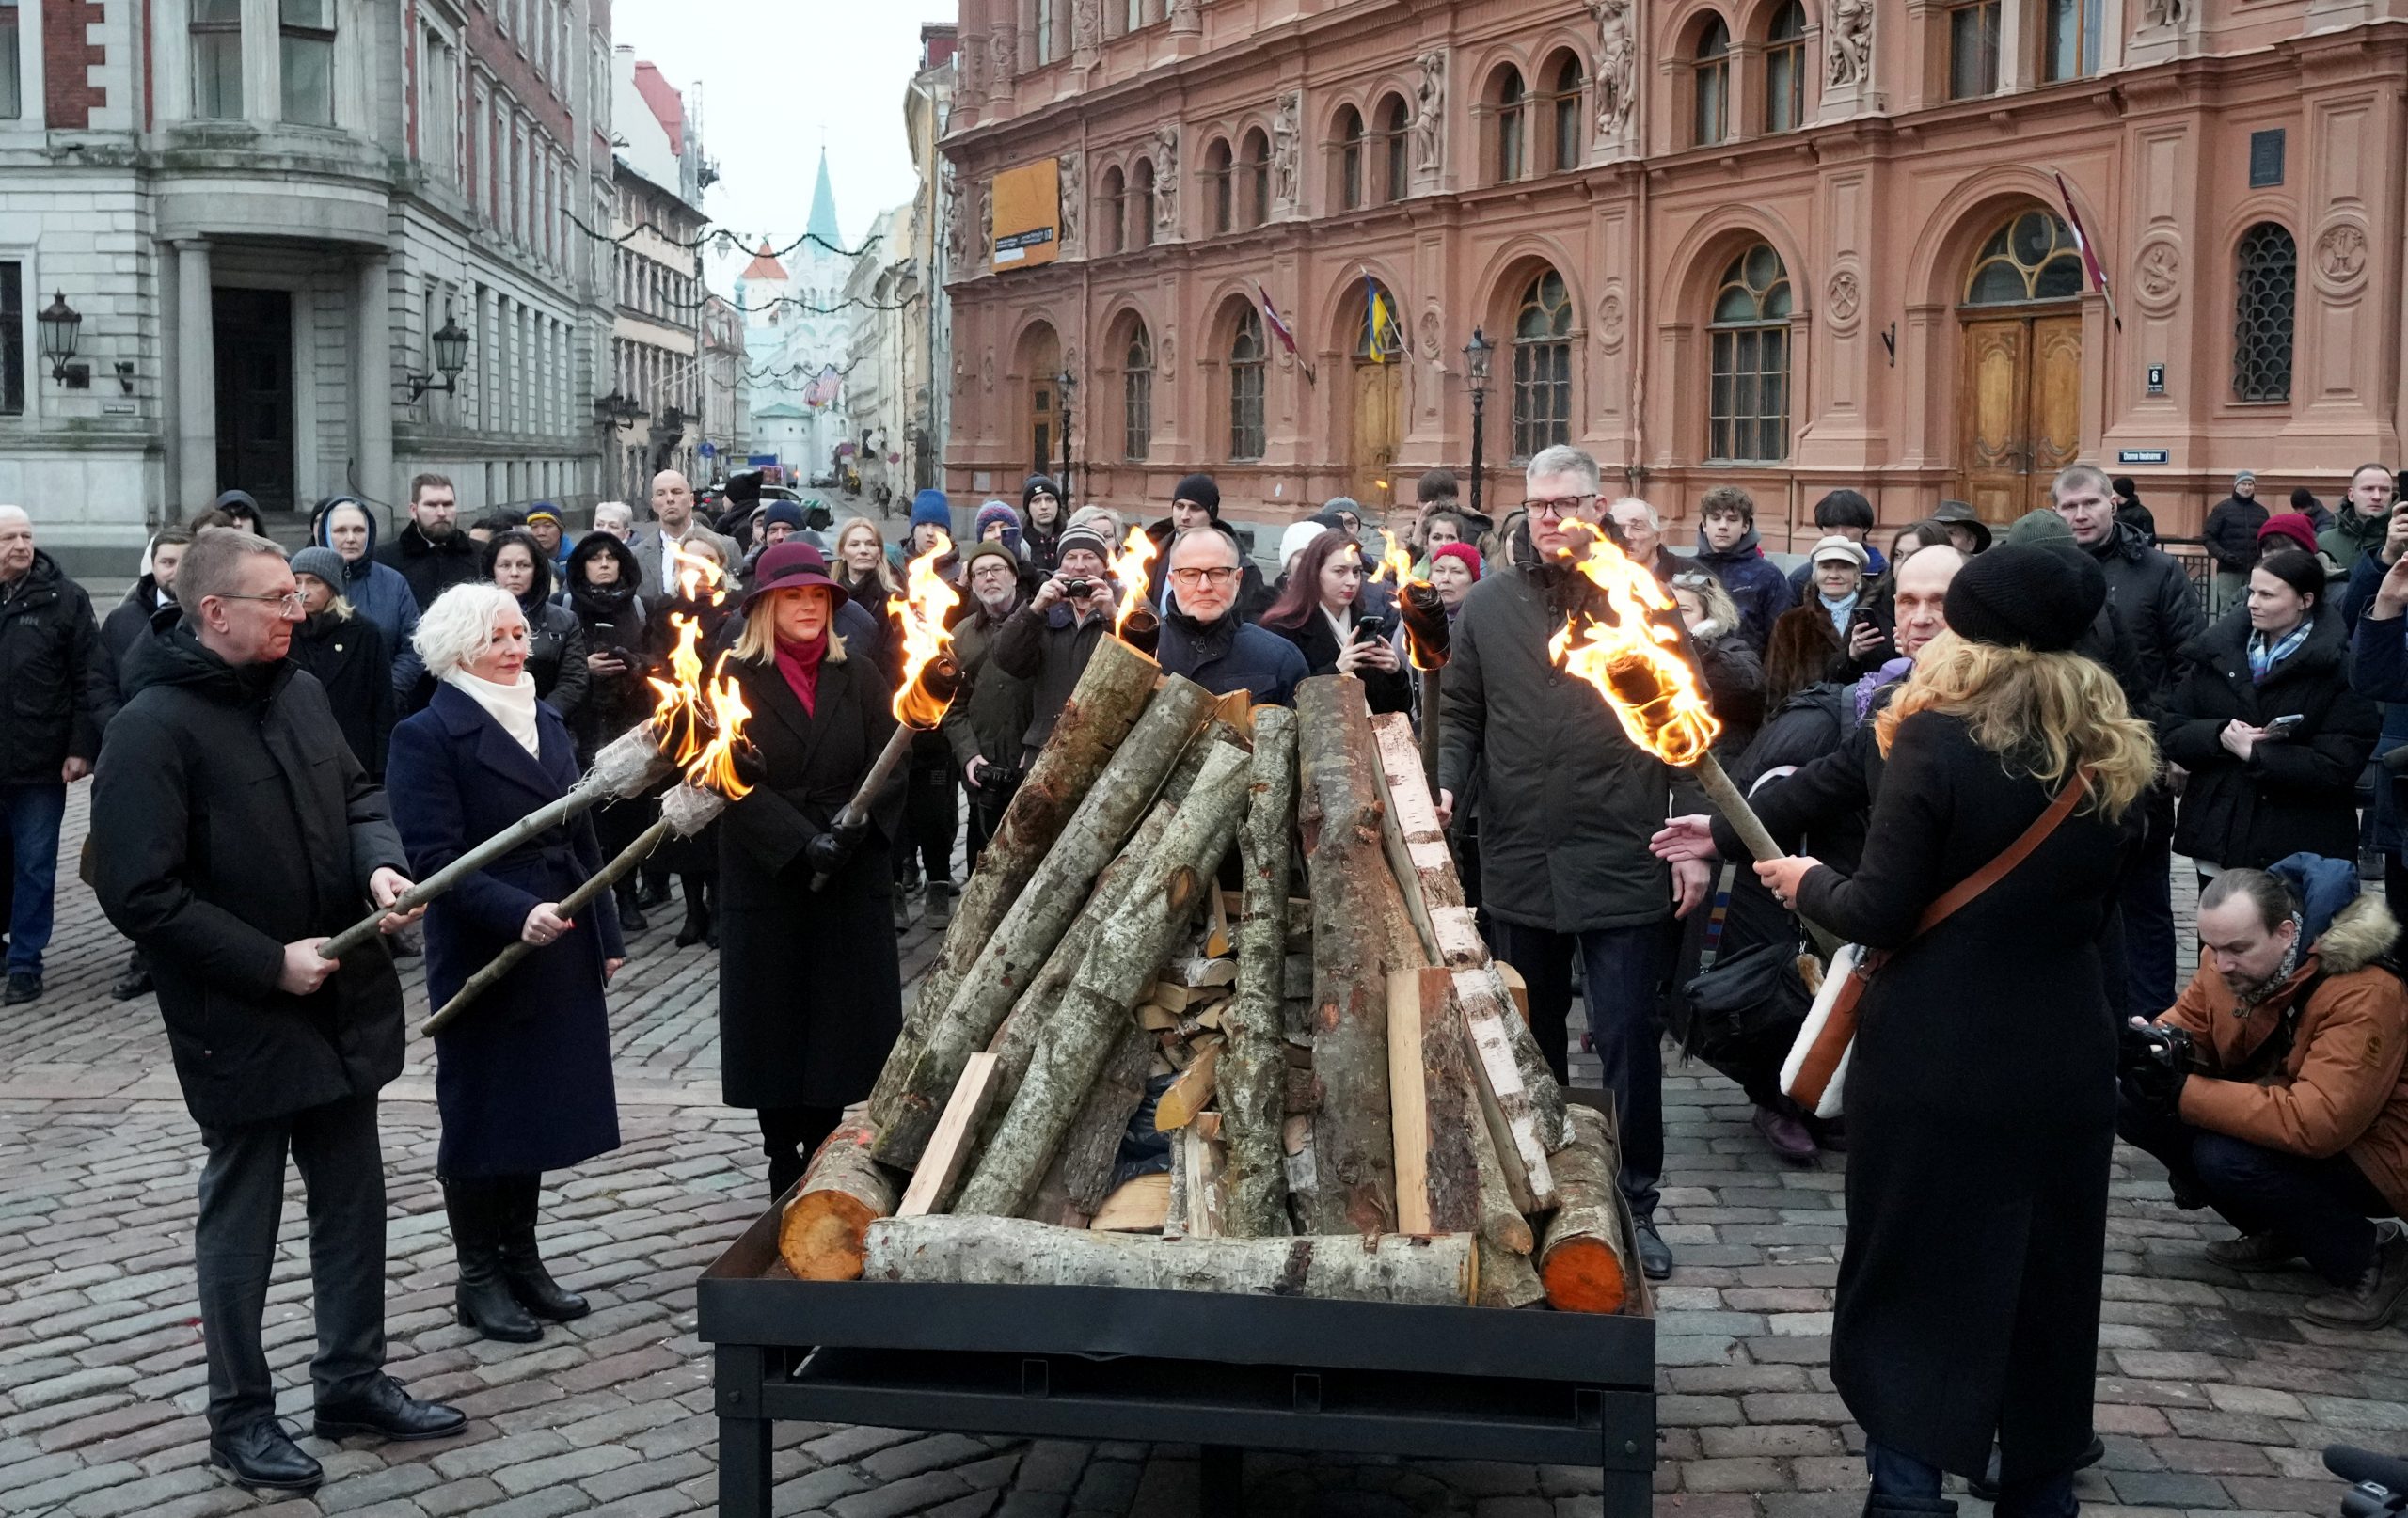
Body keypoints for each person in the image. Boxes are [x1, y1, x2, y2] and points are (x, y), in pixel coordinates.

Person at [1749, 543, 2158, 1518]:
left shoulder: (1934, 737)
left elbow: (1879, 908)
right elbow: (2113, 920)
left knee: (1913, 1277)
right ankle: (2038, 1494)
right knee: (2046, 1290)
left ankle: (1906, 1496)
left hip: (1937, 1056)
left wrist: (1807, 882)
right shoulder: (2119, 754)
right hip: (2062, 1057)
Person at [90, 530, 462, 1492]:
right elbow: (141, 895)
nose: (297, 613)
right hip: (240, 1015)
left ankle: (351, 1379)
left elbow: (358, 794)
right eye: (275, 600)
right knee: (242, 1219)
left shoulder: (298, 691)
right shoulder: (151, 726)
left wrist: (379, 864)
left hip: (343, 995)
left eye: (296, 597)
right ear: (214, 613)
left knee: (353, 1202)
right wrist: (267, 965)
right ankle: (239, 1416)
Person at [1436, 445, 1710, 1282]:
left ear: (1598, 506)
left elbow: (1688, 732)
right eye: (1540, 503)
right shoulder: (1487, 605)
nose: (1552, 516)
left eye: (1569, 501)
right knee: (1532, 1037)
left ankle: (1635, 1198)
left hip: (1623, 850)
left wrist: (1695, 836)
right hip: (1520, 851)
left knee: (1628, 1037)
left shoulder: (1642, 600)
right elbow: (1461, 711)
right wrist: (1448, 790)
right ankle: (1548, 1191)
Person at [1652, 545, 1968, 1161]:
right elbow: (1801, 788)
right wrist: (1717, 836)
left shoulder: (1998, 709)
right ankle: (1786, 1096)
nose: (1922, 617)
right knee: (1808, 974)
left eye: (1940, 603)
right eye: (1908, 600)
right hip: (1839, 883)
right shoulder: (1868, 705)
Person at [386, 584, 626, 1345]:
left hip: (560, 927)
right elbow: (435, 860)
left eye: (521, 633)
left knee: (539, 1105)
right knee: (484, 1112)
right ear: (460, 650)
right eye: (500, 638)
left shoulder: (546, 715)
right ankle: (478, 1275)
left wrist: (606, 933)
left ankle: (523, 1258)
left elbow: (580, 829)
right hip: (487, 943)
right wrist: (512, 913)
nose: (520, 648)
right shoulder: (427, 735)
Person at [2118, 859, 2408, 1330]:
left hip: (2377, 1153)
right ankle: (2289, 1229)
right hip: (2289, 1113)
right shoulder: (2227, 961)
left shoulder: (2364, 989)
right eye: (2212, 947)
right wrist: (2153, 1048)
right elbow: (2189, 1025)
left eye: (2237, 948)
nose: (2220, 962)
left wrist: (2184, 1091)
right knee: (2134, 1102)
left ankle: (2375, 1258)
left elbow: (2320, 1124)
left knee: (2225, 1157)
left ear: (2287, 933)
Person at [716, 542, 906, 1197]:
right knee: (776, 1020)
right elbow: (720, 780)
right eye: (794, 597)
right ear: (766, 606)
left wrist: (851, 831)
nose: (808, 607)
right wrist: (799, 842)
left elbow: (892, 758)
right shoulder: (730, 677)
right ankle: (779, 1155)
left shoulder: (858, 675)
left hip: (847, 877)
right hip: (768, 876)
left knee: (837, 1024)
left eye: (818, 597)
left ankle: (824, 1143)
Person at [2057, 462, 2201, 1016]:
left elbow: (2188, 661)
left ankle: (2154, 1021)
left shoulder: (2160, 572)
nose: (2080, 516)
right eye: (2069, 508)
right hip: (2063, 763)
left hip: (2140, 757)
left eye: (2089, 503)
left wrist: (2162, 743)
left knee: (2145, 899)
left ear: (2111, 503)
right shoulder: (2047, 574)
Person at [2162, 549, 2374, 878]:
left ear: (2305, 600)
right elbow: (2172, 729)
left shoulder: (2341, 668)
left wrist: (2258, 755)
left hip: (2301, 846)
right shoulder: (2217, 651)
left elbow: (2340, 762)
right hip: (2222, 839)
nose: (2252, 603)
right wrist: (2219, 735)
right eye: (2251, 592)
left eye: (2267, 594)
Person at [0, 506, 115, 1005]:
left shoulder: (64, 599)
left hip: (39, 760)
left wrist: (79, 748)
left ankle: (26, 961)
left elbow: (88, 679)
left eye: (27, 535)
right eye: (9, 538)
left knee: (34, 861)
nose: (21, 545)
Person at [559, 530, 656, 932]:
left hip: (629, 720)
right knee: (589, 818)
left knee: (630, 814)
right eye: (594, 558)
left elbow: (663, 658)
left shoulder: (641, 607)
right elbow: (554, 662)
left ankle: (629, 895)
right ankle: (595, 901)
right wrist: (587, 667)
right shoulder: (563, 608)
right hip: (581, 725)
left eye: (610, 558)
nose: (603, 564)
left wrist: (634, 662)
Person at [642, 534, 737, 944]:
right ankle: (692, 908)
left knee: (716, 818)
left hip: (719, 726)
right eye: (690, 563)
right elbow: (654, 660)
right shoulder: (666, 611)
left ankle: (718, 906)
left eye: (707, 561)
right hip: (679, 727)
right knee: (681, 821)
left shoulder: (732, 611)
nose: (698, 571)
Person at [992, 522, 1123, 758]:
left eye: (1090, 557)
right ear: (1060, 565)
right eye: (1071, 557)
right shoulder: (1044, 610)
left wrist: (1114, 617)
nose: (1080, 566)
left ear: (1104, 564)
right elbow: (1006, 658)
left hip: (1106, 750)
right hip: (1047, 745)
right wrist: (1034, 610)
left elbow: (1148, 659)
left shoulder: (1128, 606)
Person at [945, 540, 1035, 870]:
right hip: (984, 770)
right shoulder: (959, 636)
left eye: (997, 569)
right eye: (979, 573)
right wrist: (968, 755)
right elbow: (951, 708)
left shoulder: (1042, 626)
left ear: (1013, 576)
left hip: (1032, 765)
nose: (989, 578)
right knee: (981, 863)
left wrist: (1040, 747)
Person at [1258, 530, 1412, 715]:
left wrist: (1394, 673)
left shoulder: (1364, 624)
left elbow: (1397, 710)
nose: (1351, 582)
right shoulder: (1282, 628)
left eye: (1356, 572)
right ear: (1314, 573)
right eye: (1339, 571)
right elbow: (1278, 708)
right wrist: (1336, 671)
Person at [1156, 524, 1309, 707]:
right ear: (1172, 581)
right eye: (1190, 575)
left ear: (1237, 579)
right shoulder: (1147, 649)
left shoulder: (1280, 658)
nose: (1204, 586)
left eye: (1217, 573)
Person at [286, 547, 398, 781]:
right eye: (296, 581)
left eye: (314, 582)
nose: (302, 591)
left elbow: (383, 704)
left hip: (353, 758)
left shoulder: (364, 632)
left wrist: (382, 768)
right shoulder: (283, 632)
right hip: (297, 757)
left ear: (332, 587)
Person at [312, 498, 425, 697]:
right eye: (340, 531)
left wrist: (387, 691)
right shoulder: (305, 581)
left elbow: (414, 646)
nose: (350, 538)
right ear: (325, 535)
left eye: (358, 530)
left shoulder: (393, 582)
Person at [1765, 537, 1887, 707]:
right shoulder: (1789, 623)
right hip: (1806, 721)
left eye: (1844, 567)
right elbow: (1774, 689)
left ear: (1857, 575)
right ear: (1815, 574)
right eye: (1826, 567)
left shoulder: (1878, 617)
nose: (1834, 575)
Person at [482, 529, 589, 719]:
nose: (514, 573)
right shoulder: (473, 618)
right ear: (492, 570)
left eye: (523, 565)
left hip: (546, 721)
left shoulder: (564, 621)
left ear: (536, 570)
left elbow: (573, 681)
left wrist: (539, 717)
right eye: (505, 565)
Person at [1671, 569, 1766, 757]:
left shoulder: (1733, 648)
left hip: (1714, 765)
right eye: (1670, 610)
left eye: (1684, 610)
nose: (1674, 617)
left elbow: (1749, 688)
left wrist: (1695, 649)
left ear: (1708, 617)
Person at [1692, 485, 1792, 652]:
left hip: (1747, 671)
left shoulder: (1767, 576)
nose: (1723, 526)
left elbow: (1781, 642)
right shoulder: (1685, 571)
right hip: (1687, 672)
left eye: (1732, 520)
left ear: (1745, 526)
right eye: (1715, 518)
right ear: (1704, 524)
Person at [629, 469, 739, 601]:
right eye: (661, 493)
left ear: (691, 500)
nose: (669, 499)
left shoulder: (727, 547)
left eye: (677, 492)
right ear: (653, 504)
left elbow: (738, 603)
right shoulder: (636, 556)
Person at [376, 475, 481, 611]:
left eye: (448, 504)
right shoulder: (383, 559)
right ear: (414, 511)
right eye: (431, 505)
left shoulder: (482, 555)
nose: (442, 513)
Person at [103, 528, 191, 681]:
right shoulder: (120, 620)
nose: (178, 571)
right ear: (153, 566)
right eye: (168, 563)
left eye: (188, 563)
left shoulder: (216, 617)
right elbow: (101, 678)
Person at [1782, 490, 1888, 603]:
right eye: (1832, 526)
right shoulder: (1801, 578)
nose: (1840, 533)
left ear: (1865, 528)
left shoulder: (1885, 577)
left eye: (1849, 526)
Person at [2205, 470, 2271, 616]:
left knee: (2254, 610)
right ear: (2235, 486)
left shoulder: (2261, 512)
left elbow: (2267, 539)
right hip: (2229, 570)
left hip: (2254, 570)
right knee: (2227, 611)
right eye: (2243, 484)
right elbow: (2208, 537)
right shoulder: (2222, 509)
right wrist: (2223, 556)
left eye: (2250, 484)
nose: (2247, 488)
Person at [2321, 463, 2398, 577]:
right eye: (2368, 489)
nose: (2377, 496)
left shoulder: (2402, 540)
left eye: (2384, 490)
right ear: (2351, 495)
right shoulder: (2325, 542)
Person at [1608, 498, 1683, 581]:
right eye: (1619, 528)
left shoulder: (1685, 574)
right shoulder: (1597, 574)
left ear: (1657, 537)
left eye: (1637, 528)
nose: (1627, 536)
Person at [1022, 474, 1067, 571]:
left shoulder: (1069, 537)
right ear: (1028, 508)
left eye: (1049, 499)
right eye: (1036, 501)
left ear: (1058, 504)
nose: (1044, 506)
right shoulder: (1021, 543)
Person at [1929, 499, 1993, 556]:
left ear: (1971, 543)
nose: (1941, 538)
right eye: (1937, 532)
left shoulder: (1981, 569)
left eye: (1951, 533)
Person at [524, 503, 572, 574]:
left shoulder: (578, 563)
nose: (541, 533)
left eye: (547, 526)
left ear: (560, 531)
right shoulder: (517, 565)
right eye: (534, 526)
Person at [2112, 475, 2159, 546]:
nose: (2111, 494)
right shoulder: (2112, 510)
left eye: (2113, 491)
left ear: (2120, 493)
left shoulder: (2143, 514)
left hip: (2133, 554)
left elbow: (2148, 539)